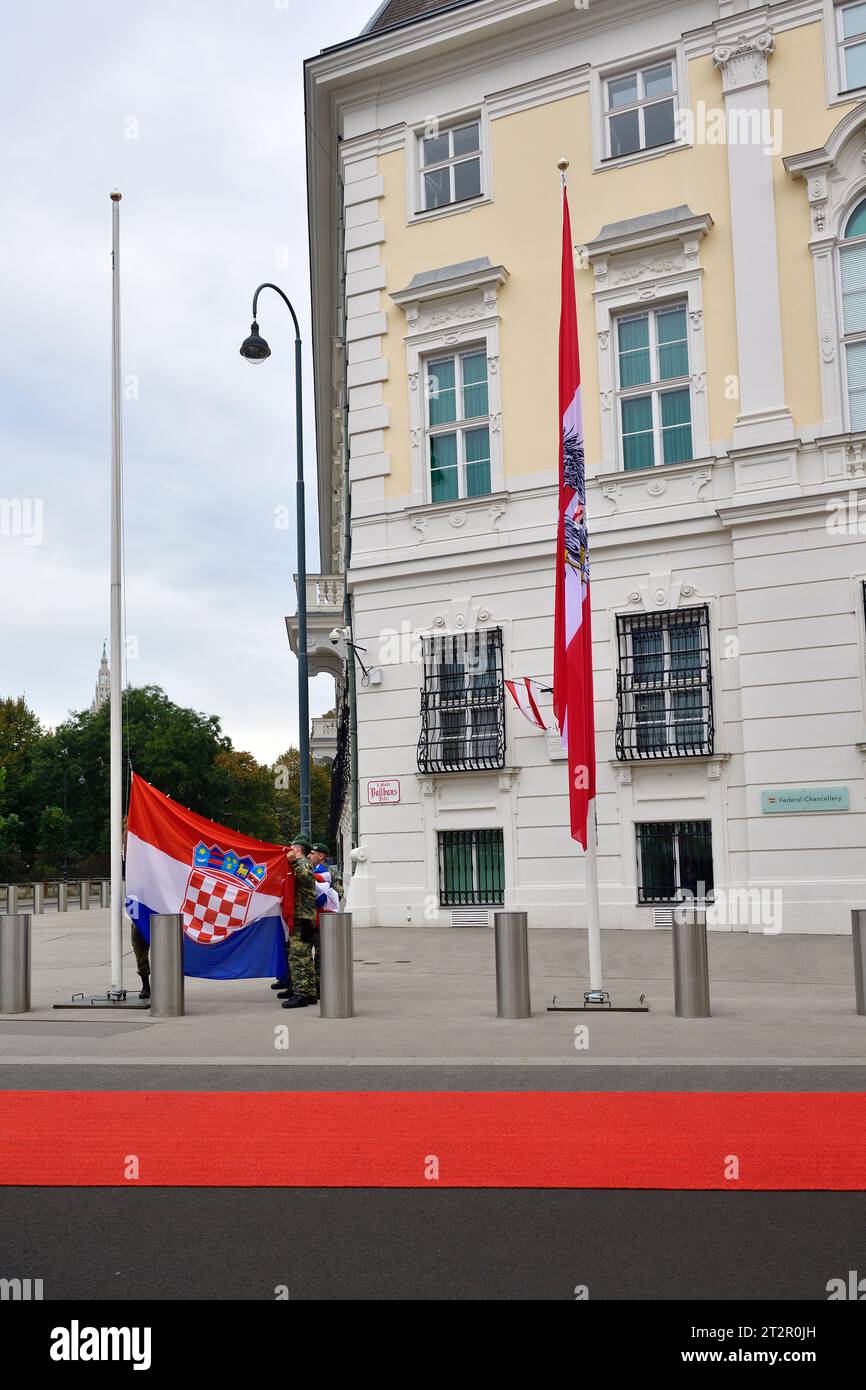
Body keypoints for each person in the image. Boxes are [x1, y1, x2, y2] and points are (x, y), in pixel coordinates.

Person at [279, 835, 319, 1009]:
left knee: (298, 956)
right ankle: (308, 992)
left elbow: (307, 879)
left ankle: (301, 994)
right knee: (303, 956)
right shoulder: (300, 864)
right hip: (303, 916)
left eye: (292, 847)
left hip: (303, 917)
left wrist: (294, 862)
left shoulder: (302, 864)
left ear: (297, 849)